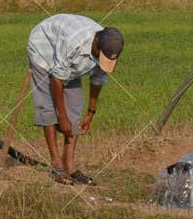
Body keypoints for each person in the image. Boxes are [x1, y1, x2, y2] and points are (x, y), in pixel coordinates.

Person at [25, 13, 124, 185]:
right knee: (47, 106)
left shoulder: (108, 46)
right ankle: (57, 164)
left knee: (75, 106)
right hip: (43, 48)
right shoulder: (73, 43)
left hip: (68, 62)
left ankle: (70, 166)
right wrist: (62, 118)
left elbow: (98, 80)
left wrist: (91, 112)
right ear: (96, 44)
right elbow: (57, 79)